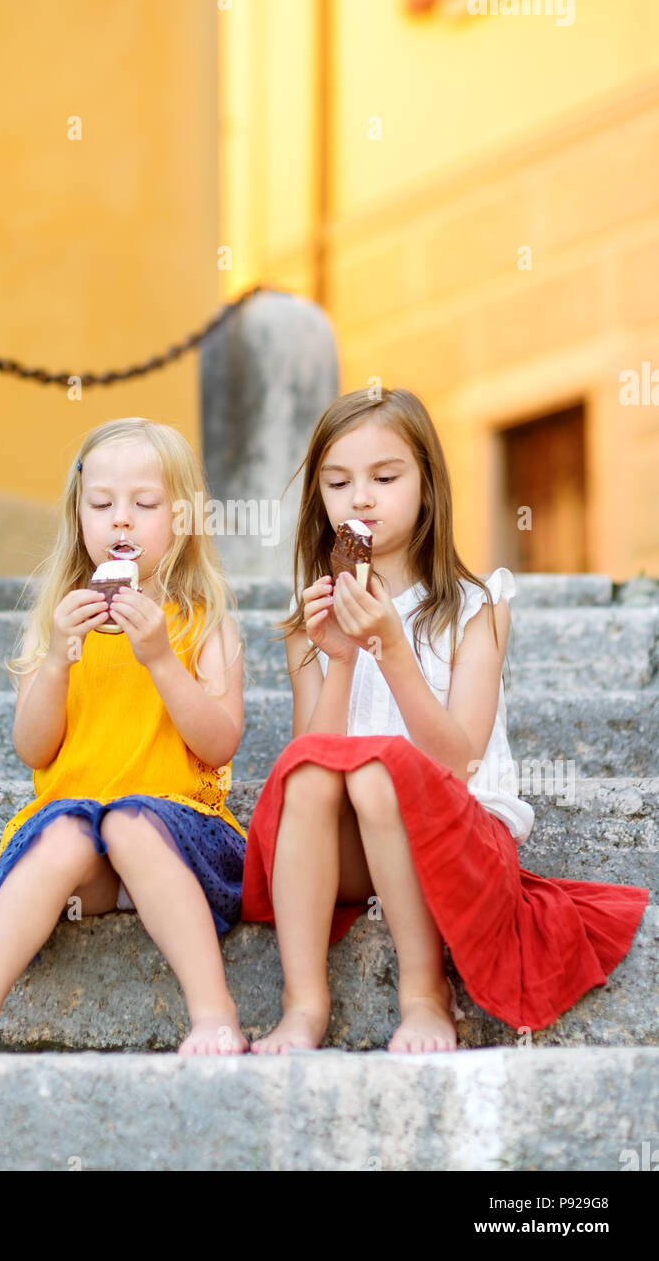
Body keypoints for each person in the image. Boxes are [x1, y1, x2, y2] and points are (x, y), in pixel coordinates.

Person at [241, 387, 650, 1055]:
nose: (360, 499)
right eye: (338, 483)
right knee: (316, 777)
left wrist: (392, 649)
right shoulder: (308, 619)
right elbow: (306, 762)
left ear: (427, 487)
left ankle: (425, 995)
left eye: (385, 477)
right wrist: (340, 657)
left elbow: (459, 758)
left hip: (458, 835)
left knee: (379, 773)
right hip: (355, 846)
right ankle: (303, 1003)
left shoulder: (476, 607)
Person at [0, 418, 248, 1056]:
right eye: (101, 505)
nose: (120, 521)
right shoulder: (54, 625)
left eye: (144, 504)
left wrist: (159, 657)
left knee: (129, 823)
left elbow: (219, 744)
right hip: (85, 858)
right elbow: (33, 750)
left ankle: (214, 1014)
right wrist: (55, 661)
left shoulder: (205, 626)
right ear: (79, 516)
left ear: (180, 519)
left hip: (180, 835)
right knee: (71, 829)